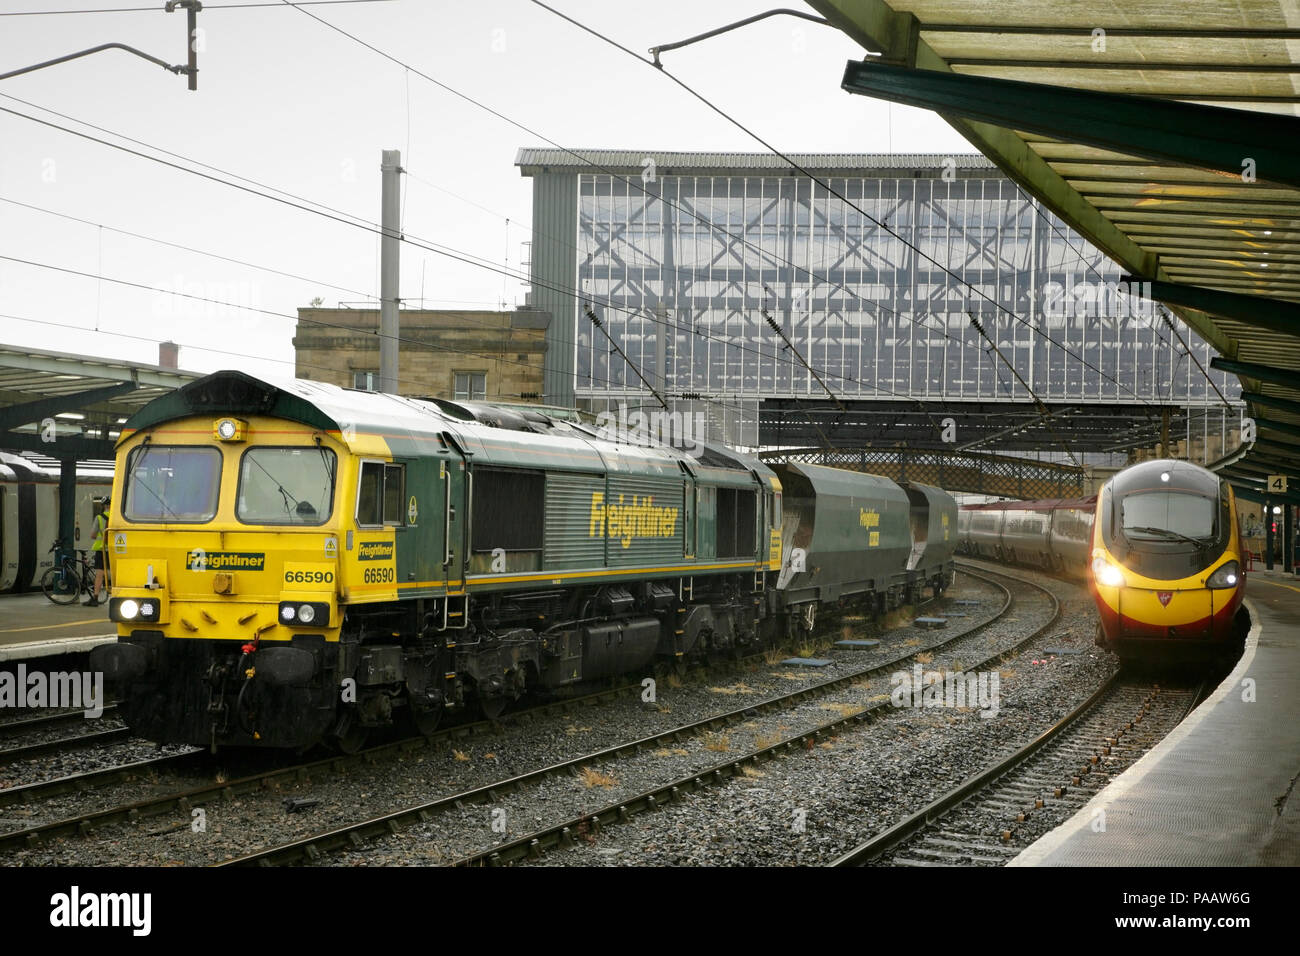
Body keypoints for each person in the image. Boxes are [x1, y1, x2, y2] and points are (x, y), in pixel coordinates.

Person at [85, 497, 109, 607]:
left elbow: (93, 535)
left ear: (103, 506)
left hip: (102, 549)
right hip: (116, 550)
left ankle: (95, 597)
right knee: (117, 574)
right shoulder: (118, 518)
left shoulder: (99, 518)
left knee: (99, 574)